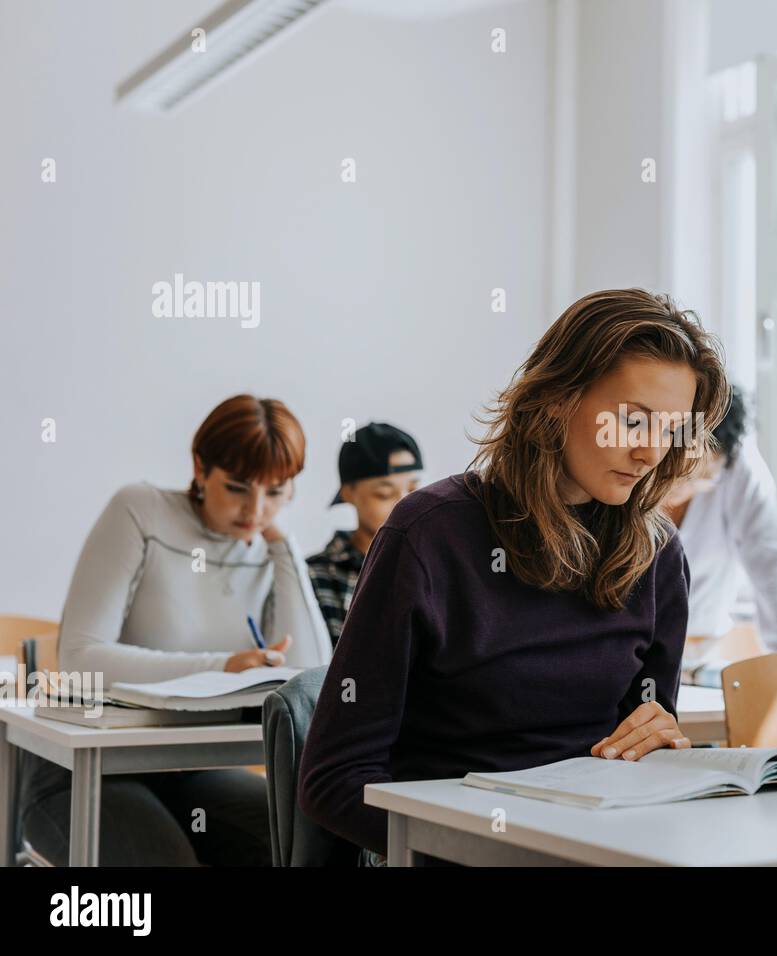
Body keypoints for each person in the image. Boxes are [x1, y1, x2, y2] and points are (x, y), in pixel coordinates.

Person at [298, 289, 729, 859]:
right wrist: (485, 850)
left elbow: (632, 751)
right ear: (556, 400)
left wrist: (657, 751)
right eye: (632, 420)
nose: (652, 452)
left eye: (671, 429)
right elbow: (334, 780)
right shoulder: (428, 534)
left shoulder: (657, 554)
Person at [19, 394, 332, 865]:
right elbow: (79, 659)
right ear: (200, 468)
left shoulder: (267, 545)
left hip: (189, 769)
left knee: (305, 846)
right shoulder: (139, 511)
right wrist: (223, 666)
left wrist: (284, 550)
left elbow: (309, 680)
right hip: (84, 772)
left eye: (276, 492)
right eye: (238, 488)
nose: (256, 510)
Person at [660, 385, 777, 658]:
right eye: (676, 472)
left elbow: (776, 572)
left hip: (697, 653)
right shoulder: (630, 461)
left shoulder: (740, 470)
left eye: (702, 478)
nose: (682, 486)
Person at [308, 422, 424, 646]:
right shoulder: (314, 575)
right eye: (384, 493)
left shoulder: (437, 565)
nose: (404, 505)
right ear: (348, 493)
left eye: (413, 491)